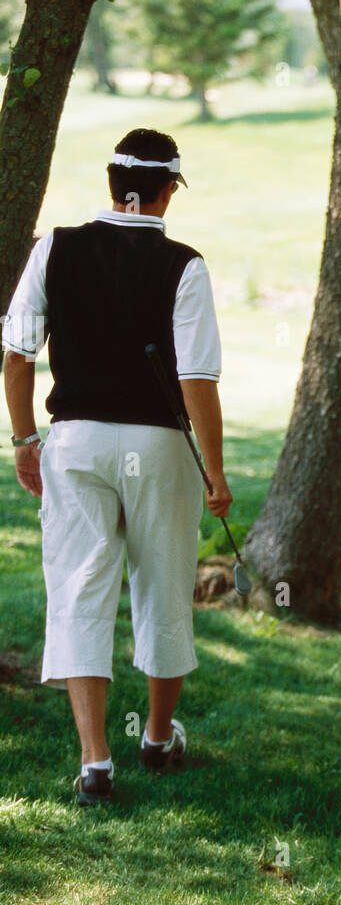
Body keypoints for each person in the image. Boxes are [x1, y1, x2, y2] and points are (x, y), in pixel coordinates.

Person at [2, 128, 232, 806]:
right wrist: (215, 472)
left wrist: (22, 440)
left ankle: (95, 759)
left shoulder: (56, 247)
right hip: (159, 445)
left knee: (79, 588)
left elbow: (17, 356)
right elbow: (197, 380)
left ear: (113, 182)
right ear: (167, 192)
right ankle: (157, 738)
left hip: (74, 442)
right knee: (162, 583)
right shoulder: (185, 264)